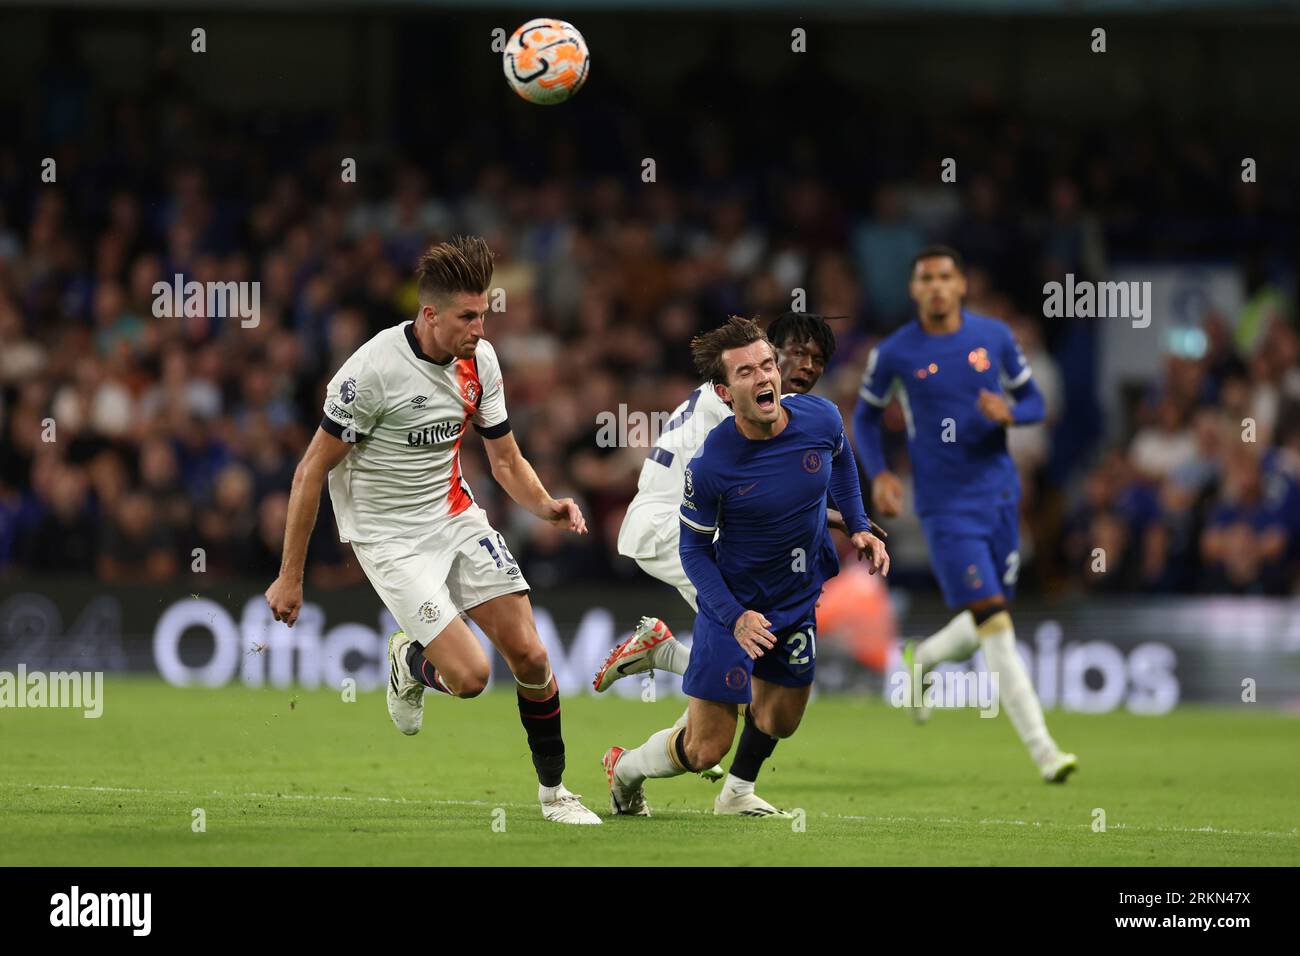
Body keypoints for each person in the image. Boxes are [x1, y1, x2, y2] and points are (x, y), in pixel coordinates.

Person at [264, 235, 601, 824]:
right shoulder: (370, 372)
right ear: (429, 314)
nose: (479, 327)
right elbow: (309, 471)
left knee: (532, 655)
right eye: (467, 316)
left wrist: (545, 504)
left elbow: (503, 460)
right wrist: (290, 577)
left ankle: (555, 794)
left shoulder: (482, 361)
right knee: (471, 678)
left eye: (483, 314)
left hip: (454, 516)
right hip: (388, 538)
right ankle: (410, 664)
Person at [602, 316, 888, 816]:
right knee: (735, 646)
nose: (803, 367)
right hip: (670, 523)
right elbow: (739, 509)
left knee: (770, 696)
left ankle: (732, 786)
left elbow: (813, 466)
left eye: (817, 360)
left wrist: (854, 521)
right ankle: (668, 659)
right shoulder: (726, 431)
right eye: (794, 353)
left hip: (723, 533)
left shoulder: (805, 414)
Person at [853, 245, 1077, 782]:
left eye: (944, 276)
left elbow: (1037, 405)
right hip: (945, 506)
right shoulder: (895, 353)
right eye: (925, 277)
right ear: (914, 289)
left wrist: (1012, 412)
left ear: (961, 285)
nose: (935, 286)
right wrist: (880, 472)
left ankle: (923, 658)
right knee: (994, 623)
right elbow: (864, 419)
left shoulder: (994, 337)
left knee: (990, 612)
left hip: (1001, 498)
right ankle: (1044, 751)